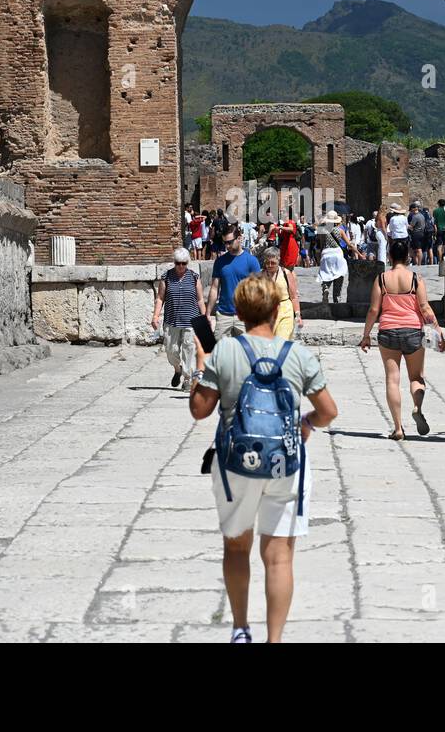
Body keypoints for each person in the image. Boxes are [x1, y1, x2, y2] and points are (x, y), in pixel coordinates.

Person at [189, 273, 339, 643]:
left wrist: (200, 363)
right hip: (285, 464)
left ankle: (241, 629)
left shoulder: (225, 351)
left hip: (235, 465)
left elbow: (199, 410)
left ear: (239, 312)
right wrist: (306, 422)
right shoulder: (298, 355)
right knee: (279, 557)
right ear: (276, 310)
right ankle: (275, 639)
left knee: (237, 547)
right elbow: (329, 412)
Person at [359, 238, 445, 440]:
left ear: (389, 256)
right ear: (408, 257)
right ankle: (417, 406)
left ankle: (398, 428)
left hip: (388, 332)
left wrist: (365, 336)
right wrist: (438, 331)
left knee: (392, 380)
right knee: (416, 377)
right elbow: (425, 308)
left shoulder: (381, 279)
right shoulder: (416, 279)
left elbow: (373, 310)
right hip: (413, 332)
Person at [152, 247, 207, 389]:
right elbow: (160, 298)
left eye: (184, 263)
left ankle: (188, 380)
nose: (181, 266)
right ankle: (178, 369)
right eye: (178, 263)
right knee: (171, 351)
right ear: (174, 262)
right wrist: (156, 316)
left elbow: (200, 300)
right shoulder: (166, 277)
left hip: (191, 321)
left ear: (187, 263)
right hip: (172, 321)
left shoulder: (194, 277)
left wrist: (205, 317)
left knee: (189, 350)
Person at [207, 226, 261, 339]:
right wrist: (207, 313)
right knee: (221, 352)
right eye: (225, 243)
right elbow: (214, 288)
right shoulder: (220, 262)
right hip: (223, 315)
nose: (227, 246)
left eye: (230, 242)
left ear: (239, 238)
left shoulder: (251, 261)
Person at [260, 246, 301, 340]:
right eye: (267, 262)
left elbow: (294, 297)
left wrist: (298, 315)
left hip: (285, 311)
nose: (269, 265)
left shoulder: (286, 274)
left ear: (278, 260)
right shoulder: (261, 275)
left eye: (273, 263)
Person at [317, 232, 348, 304]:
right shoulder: (340, 230)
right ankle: (337, 299)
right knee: (339, 275)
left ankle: (326, 288)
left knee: (326, 275)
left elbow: (321, 244)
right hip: (337, 254)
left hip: (326, 254)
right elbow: (349, 244)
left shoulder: (322, 229)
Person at [407, 201, 427, 266]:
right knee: (417, 249)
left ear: (413, 209)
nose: (410, 212)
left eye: (411, 210)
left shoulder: (415, 217)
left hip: (416, 233)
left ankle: (419, 263)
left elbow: (411, 226)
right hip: (422, 233)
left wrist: (406, 225)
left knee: (418, 249)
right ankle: (417, 262)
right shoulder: (422, 215)